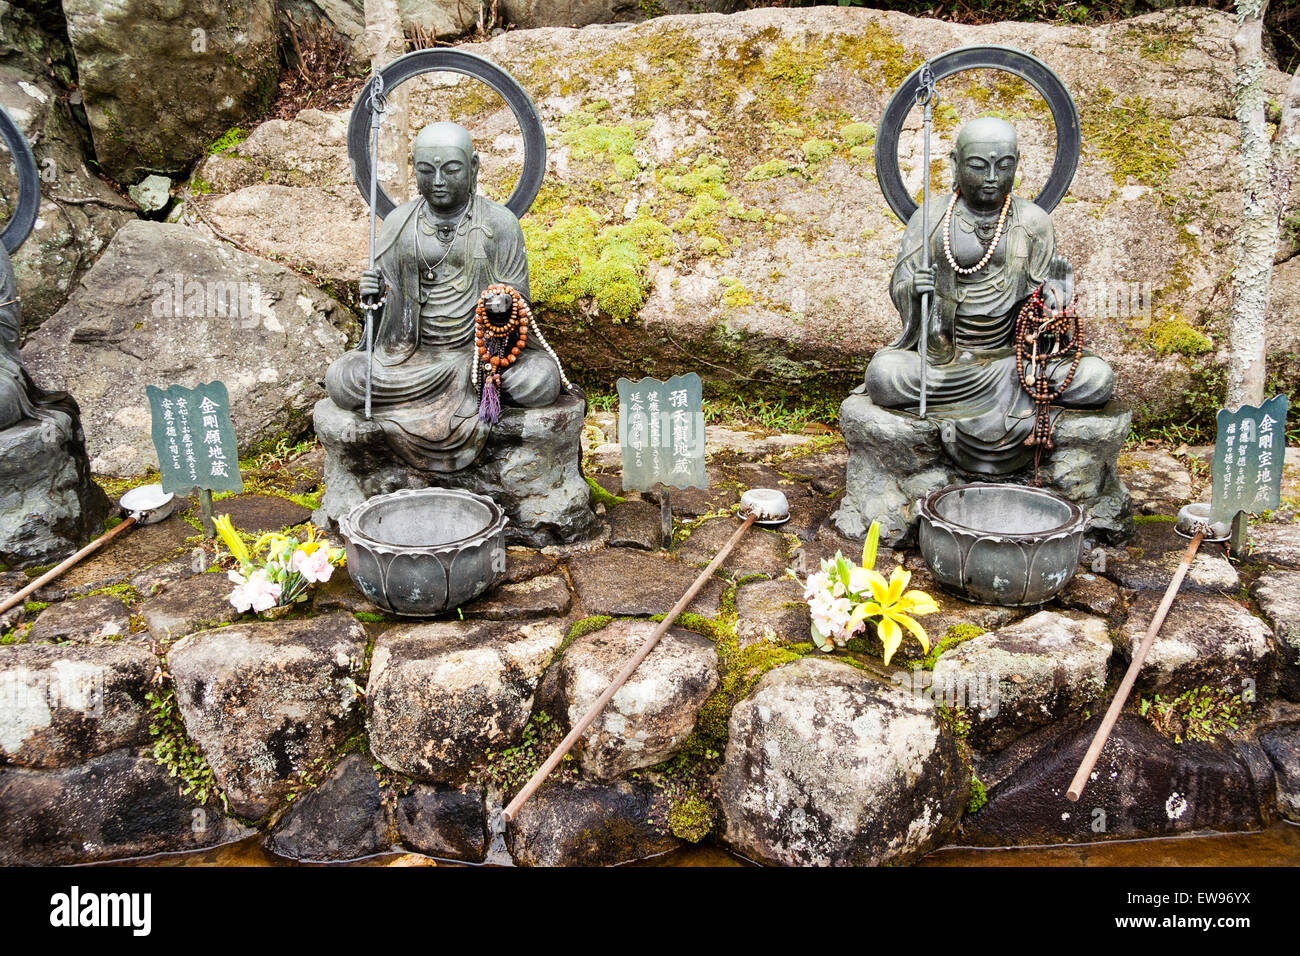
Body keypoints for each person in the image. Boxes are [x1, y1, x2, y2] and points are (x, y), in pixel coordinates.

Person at [863, 116, 1114, 475]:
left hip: (1015, 361)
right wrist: (915, 290)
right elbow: (902, 285)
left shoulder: (1034, 221)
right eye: (979, 166)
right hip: (945, 359)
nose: (992, 177)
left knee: (1096, 378)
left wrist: (1056, 305)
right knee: (884, 377)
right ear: (954, 163)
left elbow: (1043, 310)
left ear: (1017, 164)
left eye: (1004, 165)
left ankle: (997, 397)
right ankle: (996, 401)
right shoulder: (931, 218)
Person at [325, 121, 562, 471]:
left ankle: (465, 396)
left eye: (451, 169)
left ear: (474, 167)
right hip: (409, 358)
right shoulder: (398, 224)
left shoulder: (500, 223)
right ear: (414, 170)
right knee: (344, 379)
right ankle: (448, 401)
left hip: (476, 358)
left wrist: (502, 307)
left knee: (539, 380)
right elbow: (383, 321)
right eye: (426, 170)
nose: (437, 181)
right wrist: (375, 299)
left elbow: (518, 299)